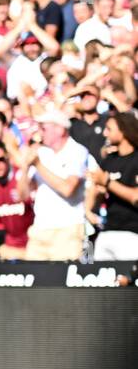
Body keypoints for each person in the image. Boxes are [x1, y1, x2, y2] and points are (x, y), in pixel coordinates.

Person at [20, 110, 95, 262]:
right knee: (32, 281)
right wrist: (25, 167)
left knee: (62, 282)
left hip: (68, 229)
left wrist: (37, 165)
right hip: (40, 228)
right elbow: (22, 195)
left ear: (60, 129)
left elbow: (67, 189)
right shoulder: (41, 153)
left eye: (44, 128)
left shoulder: (77, 151)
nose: (40, 133)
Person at [88, 110, 138, 262]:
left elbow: (136, 197)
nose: (104, 133)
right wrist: (97, 196)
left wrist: (108, 182)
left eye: (109, 129)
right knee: (101, 283)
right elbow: (97, 194)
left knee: (129, 284)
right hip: (107, 231)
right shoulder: (108, 161)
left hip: (132, 233)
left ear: (123, 131)